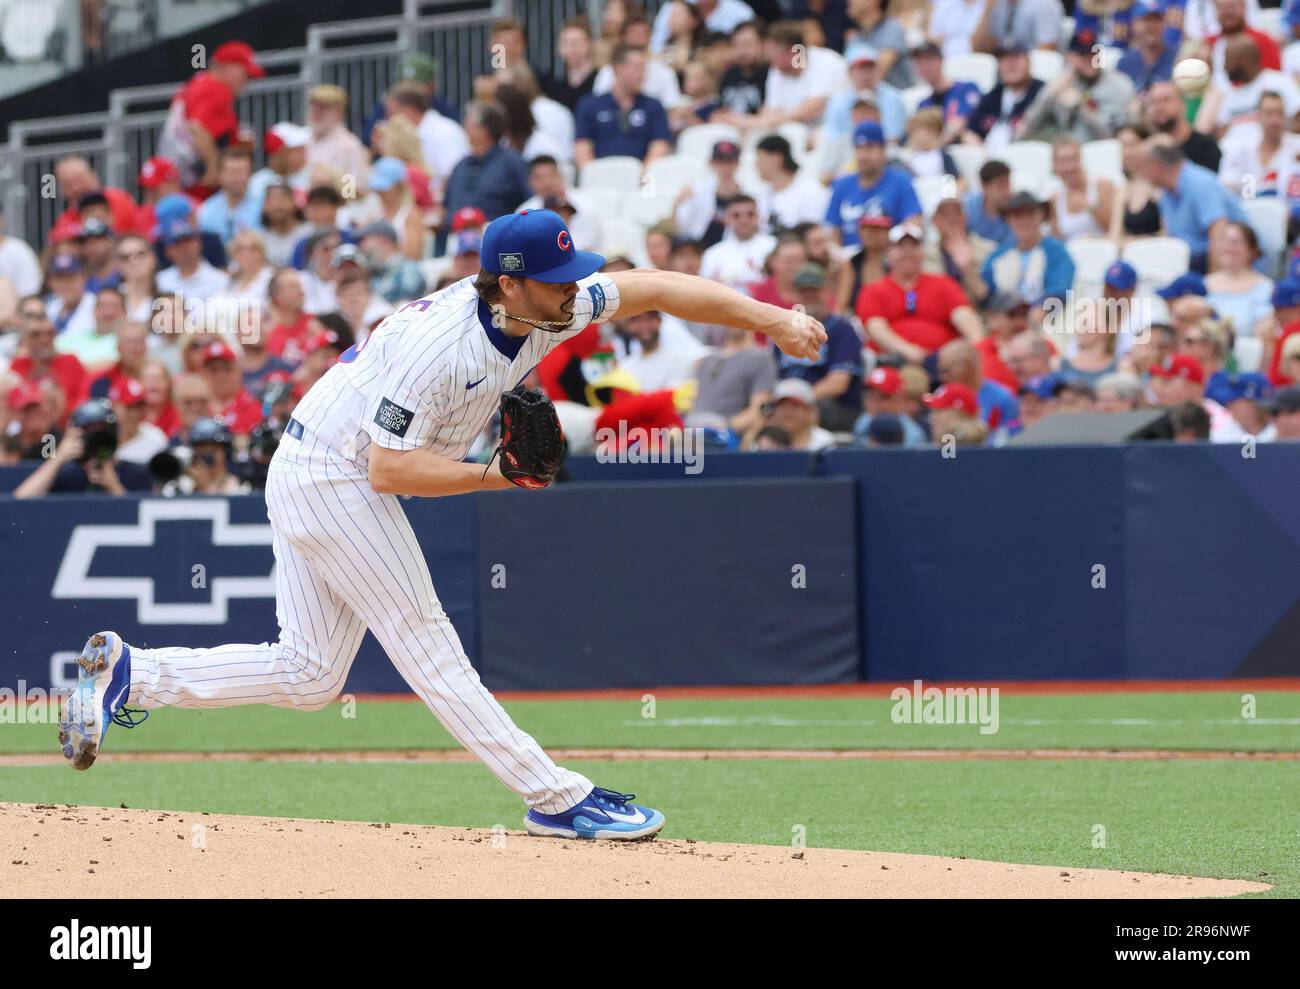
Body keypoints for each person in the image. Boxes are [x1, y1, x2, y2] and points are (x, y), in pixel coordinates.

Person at [55, 207, 826, 846]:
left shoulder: (547, 304)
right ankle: (555, 796)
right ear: (511, 282)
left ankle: (133, 673)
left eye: (572, 274)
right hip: (334, 471)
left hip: (322, 460)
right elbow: (391, 472)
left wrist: (772, 318)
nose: (574, 290)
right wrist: (498, 476)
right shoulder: (442, 345)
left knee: (311, 675)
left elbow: (655, 287)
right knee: (426, 638)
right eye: (556, 279)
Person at [858, 223, 986, 361]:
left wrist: (977, 348)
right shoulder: (873, 290)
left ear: (922, 251)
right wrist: (909, 351)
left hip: (944, 361)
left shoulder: (944, 284)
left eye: (914, 246)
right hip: (893, 361)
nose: (907, 252)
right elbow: (877, 329)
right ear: (888, 252)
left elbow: (964, 316)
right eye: (900, 246)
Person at [157, 42, 263, 193]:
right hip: (194, 181)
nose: (247, 81)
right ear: (227, 67)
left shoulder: (199, 83)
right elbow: (196, 127)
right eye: (245, 74)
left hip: (181, 175)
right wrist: (213, 168)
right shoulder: (215, 88)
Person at [776, 263, 864, 431]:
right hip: (786, 402)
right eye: (804, 292)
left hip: (829, 406)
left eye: (814, 291)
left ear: (827, 291)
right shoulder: (785, 328)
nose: (809, 297)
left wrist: (797, 400)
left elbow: (838, 383)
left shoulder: (841, 329)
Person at [1141, 136, 1246, 272]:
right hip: (1187, 262)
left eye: (1143, 165)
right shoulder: (1166, 191)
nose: (1140, 172)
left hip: (1226, 264)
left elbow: (1220, 235)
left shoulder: (1200, 183)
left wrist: (1212, 285)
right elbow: (1169, 236)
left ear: (1157, 166)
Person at [13, 398, 154, 498]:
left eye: (102, 432)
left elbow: (144, 515)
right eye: (89, 432)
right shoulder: (67, 474)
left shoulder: (137, 474)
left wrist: (114, 487)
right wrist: (58, 458)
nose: (96, 439)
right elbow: (21, 501)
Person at [1021, 28, 1135, 143]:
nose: (1090, 59)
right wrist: (1049, 96)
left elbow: (1110, 135)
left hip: (1103, 154)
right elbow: (1025, 130)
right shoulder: (1060, 83)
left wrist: (1080, 106)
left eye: (1094, 53)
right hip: (1064, 154)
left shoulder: (1118, 84)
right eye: (1083, 54)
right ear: (1070, 57)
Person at [825, 122, 923, 249]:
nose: (864, 156)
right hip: (850, 260)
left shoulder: (901, 182)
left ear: (883, 150)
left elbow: (913, 228)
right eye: (859, 149)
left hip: (890, 258)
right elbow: (832, 233)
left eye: (870, 148)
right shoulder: (841, 185)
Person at [574, 45, 673, 167]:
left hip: (640, 178)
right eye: (637, 69)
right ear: (617, 69)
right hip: (601, 179)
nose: (642, 75)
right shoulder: (590, 105)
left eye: (644, 69)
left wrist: (642, 176)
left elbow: (660, 145)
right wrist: (595, 176)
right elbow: (582, 148)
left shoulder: (653, 106)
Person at [981, 192, 1076, 307]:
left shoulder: (1055, 251)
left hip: (1043, 316)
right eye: (1017, 216)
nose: (1023, 221)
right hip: (1002, 313)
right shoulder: (1000, 253)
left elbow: (1059, 290)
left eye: (1029, 215)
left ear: (1040, 216)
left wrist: (1038, 312)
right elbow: (984, 291)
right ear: (1009, 220)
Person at [443, 101, 531, 223]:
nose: (465, 129)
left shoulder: (513, 164)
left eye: (470, 125)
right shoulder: (461, 165)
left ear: (484, 130)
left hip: (497, 237)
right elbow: (447, 204)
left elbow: (530, 203)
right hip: (457, 237)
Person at [1149, 352, 1244, 441]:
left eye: (1166, 381)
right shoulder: (1154, 415)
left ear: (1191, 387)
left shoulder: (1222, 424)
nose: (1158, 387)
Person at [967, 43, 1044, 151]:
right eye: (1005, 58)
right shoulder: (991, 97)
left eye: (1016, 57)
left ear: (1028, 61)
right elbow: (970, 131)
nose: (1011, 64)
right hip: (991, 159)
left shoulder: (1042, 93)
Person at [699, 195, 778, 291]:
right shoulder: (713, 253)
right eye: (736, 215)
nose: (744, 220)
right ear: (727, 219)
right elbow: (706, 289)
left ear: (759, 216)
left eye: (750, 214)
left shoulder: (774, 246)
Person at [910, 42, 982, 145]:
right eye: (919, 62)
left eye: (928, 60)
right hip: (936, 152)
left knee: (967, 136)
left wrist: (936, 144)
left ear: (941, 60)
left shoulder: (966, 89)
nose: (924, 67)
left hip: (961, 145)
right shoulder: (923, 104)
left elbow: (960, 122)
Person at [305, 86, 372, 197]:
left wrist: (331, 181)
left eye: (323, 108)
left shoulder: (349, 145)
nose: (316, 112)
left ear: (339, 112)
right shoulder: (304, 139)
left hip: (336, 209)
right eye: (314, 107)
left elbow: (353, 191)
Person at [1145, 82, 1222, 173]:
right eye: (1153, 102)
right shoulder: (1147, 150)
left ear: (1183, 105)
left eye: (1166, 100)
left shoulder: (1206, 147)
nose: (1159, 108)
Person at [1051, 136, 1117, 241]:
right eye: (1062, 161)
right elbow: (1056, 239)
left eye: (1072, 159)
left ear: (1080, 159)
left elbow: (1115, 228)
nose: (1069, 167)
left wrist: (1090, 206)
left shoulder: (1103, 186)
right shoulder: (1054, 200)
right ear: (1055, 165)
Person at [196, 147, 261, 243]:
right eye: (233, 172)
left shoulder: (261, 208)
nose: (238, 178)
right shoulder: (206, 211)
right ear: (220, 175)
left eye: (243, 172)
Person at [1119, 1, 1178, 93]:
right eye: (1145, 20)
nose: (1151, 26)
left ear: (1165, 24)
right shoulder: (1125, 64)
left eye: (1157, 20)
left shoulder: (1177, 57)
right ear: (1133, 25)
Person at [542, 17, 599, 112]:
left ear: (589, 44)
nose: (570, 48)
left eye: (575, 43)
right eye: (565, 43)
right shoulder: (553, 85)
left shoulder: (600, 79)